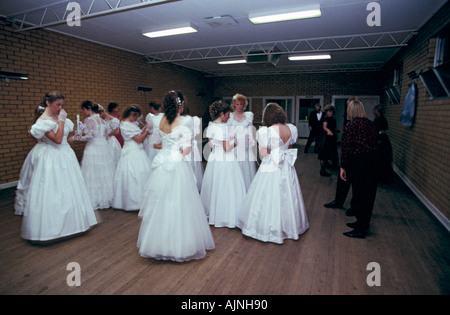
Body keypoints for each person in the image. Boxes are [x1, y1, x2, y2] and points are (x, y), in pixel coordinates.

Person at [137, 90, 214, 262]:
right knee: (180, 204)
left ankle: (158, 243)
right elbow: (186, 149)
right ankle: (180, 245)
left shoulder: (159, 120)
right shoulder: (186, 121)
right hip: (177, 163)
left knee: (160, 204)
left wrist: (168, 147)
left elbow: (156, 143)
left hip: (162, 163)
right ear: (181, 104)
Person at [21, 91, 98, 242]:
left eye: (62, 105)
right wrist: (61, 121)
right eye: (58, 105)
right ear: (48, 103)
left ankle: (73, 224)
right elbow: (56, 139)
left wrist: (76, 131)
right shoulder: (43, 121)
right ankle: (53, 228)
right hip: (52, 157)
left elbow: (64, 138)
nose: (60, 108)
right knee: (53, 190)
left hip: (65, 156)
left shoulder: (57, 117)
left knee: (70, 188)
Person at [237, 103, 309, 244]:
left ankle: (269, 229)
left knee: (268, 196)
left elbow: (263, 154)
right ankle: (290, 226)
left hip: (271, 166)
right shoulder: (291, 128)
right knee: (288, 195)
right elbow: (289, 147)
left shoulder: (265, 131)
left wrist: (271, 151)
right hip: (287, 168)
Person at [201, 100, 246, 228]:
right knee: (227, 186)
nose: (228, 117)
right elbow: (227, 148)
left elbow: (210, 143)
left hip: (215, 158)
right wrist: (236, 142)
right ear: (221, 114)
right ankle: (226, 215)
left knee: (216, 186)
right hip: (226, 158)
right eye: (227, 115)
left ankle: (214, 213)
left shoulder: (210, 125)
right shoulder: (224, 128)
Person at [341, 99, 379, 239]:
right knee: (368, 195)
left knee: (359, 194)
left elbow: (346, 148)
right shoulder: (371, 125)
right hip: (373, 161)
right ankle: (362, 223)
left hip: (359, 162)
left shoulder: (351, 126)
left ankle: (360, 229)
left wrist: (343, 166)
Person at [72, 101, 114, 210]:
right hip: (103, 147)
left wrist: (77, 138)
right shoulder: (103, 120)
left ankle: (94, 198)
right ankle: (106, 197)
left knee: (92, 172)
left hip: (94, 147)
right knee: (103, 172)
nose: (84, 112)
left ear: (88, 109)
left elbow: (90, 136)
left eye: (84, 110)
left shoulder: (90, 120)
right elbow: (106, 136)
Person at [323, 97, 360, 215]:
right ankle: (339, 202)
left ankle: (354, 207)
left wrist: (343, 165)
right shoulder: (350, 124)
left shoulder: (355, 125)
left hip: (354, 160)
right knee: (343, 183)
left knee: (354, 184)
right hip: (352, 159)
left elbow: (349, 147)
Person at [111, 105, 152, 211]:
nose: (137, 118)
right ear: (131, 114)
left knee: (141, 175)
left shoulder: (131, 124)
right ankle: (134, 202)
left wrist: (143, 129)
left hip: (138, 151)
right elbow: (138, 139)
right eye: (136, 116)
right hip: (131, 152)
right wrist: (147, 131)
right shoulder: (125, 125)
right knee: (134, 176)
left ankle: (143, 200)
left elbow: (138, 133)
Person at [14, 105, 46, 215]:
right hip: (46, 150)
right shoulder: (45, 124)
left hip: (37, 149)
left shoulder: (34, 125)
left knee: (32, 176)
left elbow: (31, 136)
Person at [227, 93, 256, 190]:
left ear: (244, 105)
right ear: (234, 104)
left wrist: (252, 139)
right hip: (235, 145)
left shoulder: (248, 115)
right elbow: (228, 131)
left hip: (245, 145)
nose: (239, 106)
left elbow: (250, 129)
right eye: (237, 104)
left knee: (246, 166)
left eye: (241, 104)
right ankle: (236, 189)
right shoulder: (230, 117)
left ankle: (247, 189)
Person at [180, 103, 204, 192]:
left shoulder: (183, 120)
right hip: (190, 145)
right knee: (192, 166)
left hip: (186, 145)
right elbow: (197, 134)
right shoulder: (194, 120)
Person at [373, 104, 393, 183]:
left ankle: (381, 176)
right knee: (384, 158)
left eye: (374, 110)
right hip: (383, 139)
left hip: (380, 140)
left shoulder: (379, 120)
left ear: (377, 111)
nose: (373, 111)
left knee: (380, 157)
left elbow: (376, 130)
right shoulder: (383, 119)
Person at [318, 104, 339, 176]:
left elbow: (333, 127)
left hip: (330, 139)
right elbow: (324, 127)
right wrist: (328, 131)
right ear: (326, 112)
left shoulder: (333, 119)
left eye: (331, 111)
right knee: (323, 155)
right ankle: (322, 171)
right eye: (328, 111)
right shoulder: (325, 118)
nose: (330, 113)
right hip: (324, 139)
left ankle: (327, 167)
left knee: (327, 154)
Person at [99, 104, 122, 169]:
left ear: (102, 112)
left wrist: (108, 134)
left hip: (110, 140)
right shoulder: (102, 119)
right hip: (103, 140)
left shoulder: (114, 120)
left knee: (112, 157)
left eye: (100, 114)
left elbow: (117, 131)